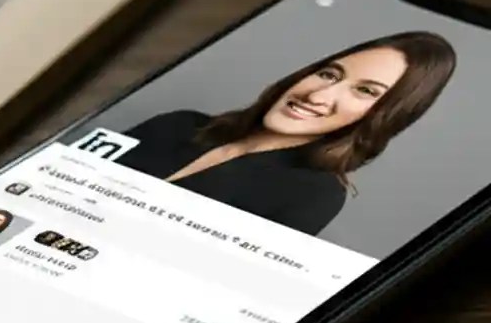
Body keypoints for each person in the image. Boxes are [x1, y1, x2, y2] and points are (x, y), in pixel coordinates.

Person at [115, 31, 457, 235]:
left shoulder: (315, 195)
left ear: (385, 116)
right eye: (329, 74)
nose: (318, 96)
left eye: (365, 91)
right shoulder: (178, 123)